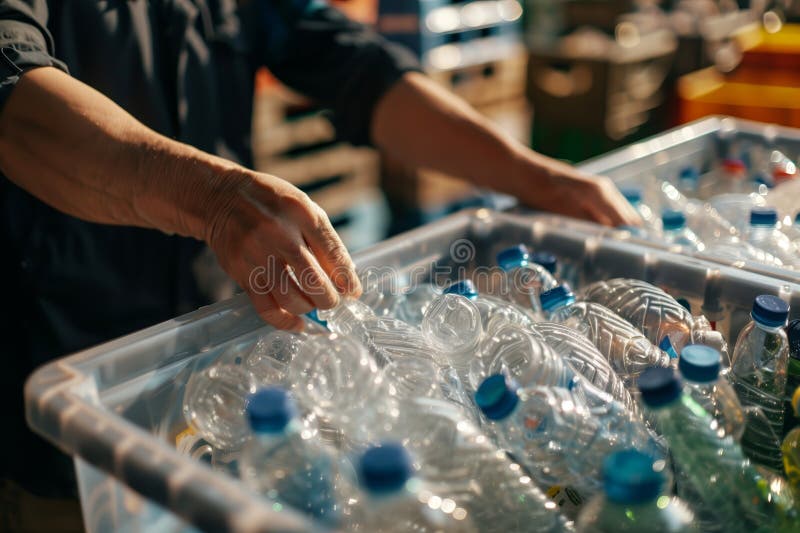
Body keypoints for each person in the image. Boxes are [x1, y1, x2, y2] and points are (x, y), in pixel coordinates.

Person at [0, 0, 639, 529]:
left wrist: (533, 177)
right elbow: (12, 94)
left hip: (217, 378)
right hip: (71, 414)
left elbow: (352, 66)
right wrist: (210, 197)